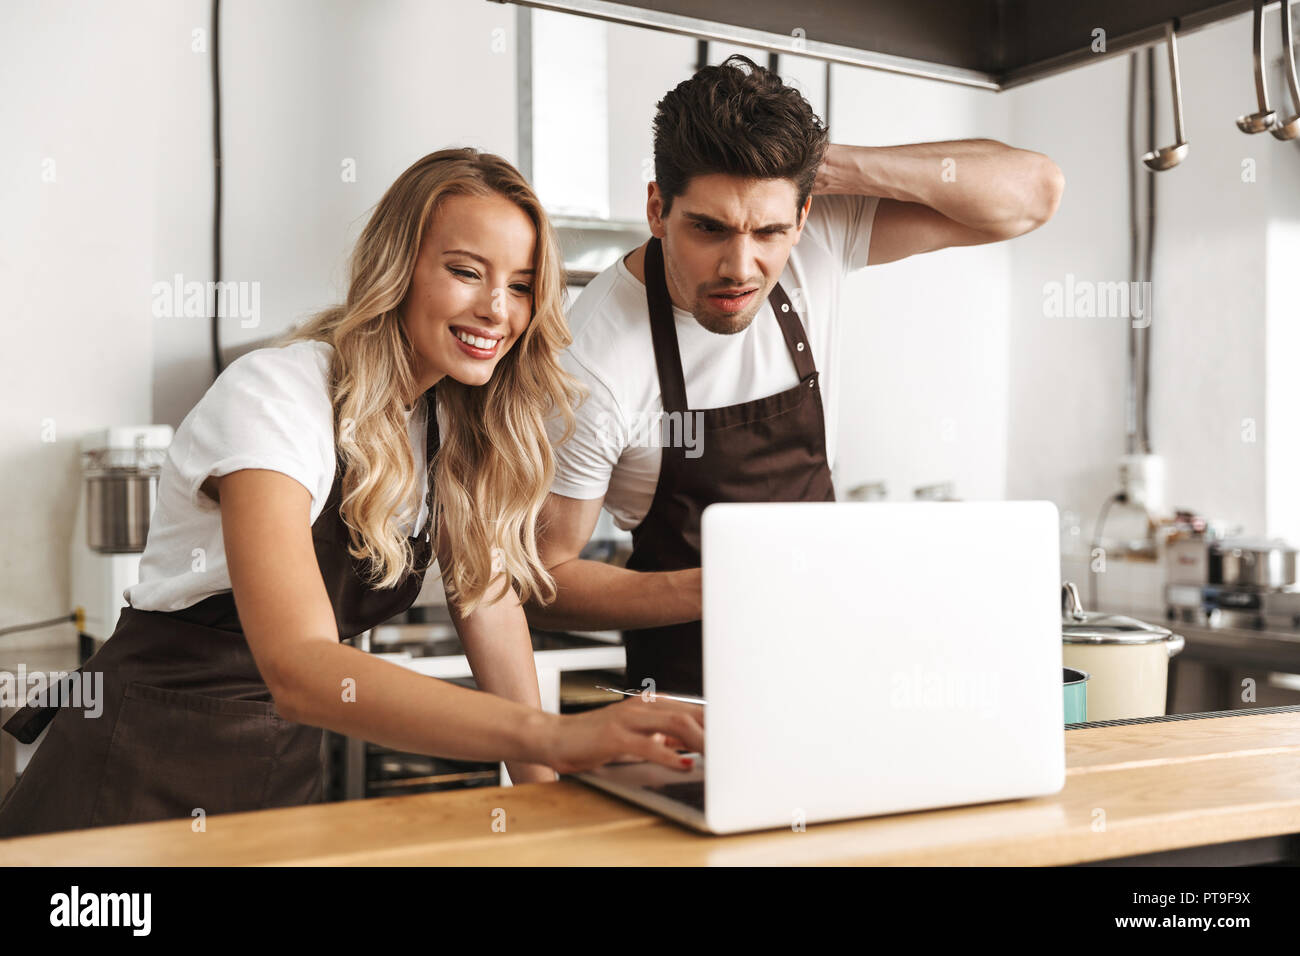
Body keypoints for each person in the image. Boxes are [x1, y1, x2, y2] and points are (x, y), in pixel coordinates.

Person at [0, 148, 702, 839]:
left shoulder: (449, 429)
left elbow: (488, 604)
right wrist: (556, 736)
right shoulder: (275, 396)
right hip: (129, 787)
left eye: (521, 286)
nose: (497, 310)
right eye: (465, 271)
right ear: (398, 270)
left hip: (275, 781)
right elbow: (301, 666)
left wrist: (548, 809)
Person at [527, 55, 1065, 696]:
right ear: (656, 209)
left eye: (770, 230)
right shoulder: (593, 362)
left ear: (805, 215)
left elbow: (1034, 193)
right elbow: (544, 582)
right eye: (709, 228)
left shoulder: (822, 240)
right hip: (687, 702)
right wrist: (724, 585)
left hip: (833, 674)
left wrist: (833, 163)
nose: (740, 266)